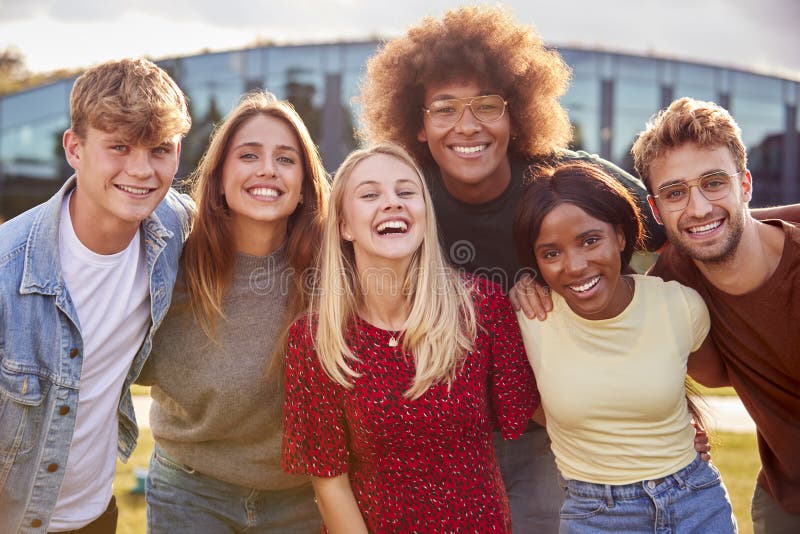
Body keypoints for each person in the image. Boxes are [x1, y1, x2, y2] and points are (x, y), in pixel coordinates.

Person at [357, 5, 666, 530]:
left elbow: (677, 231)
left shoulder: (565, 179)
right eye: (444, 108)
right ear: (418, 123)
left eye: (486, 104)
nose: (467, 125)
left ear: (517, 112)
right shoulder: (406, 196)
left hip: (548, 431)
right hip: (446, 437)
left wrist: (572, 287)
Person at [281, 143, 538, 533]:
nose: (392, 203)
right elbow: (329, 479)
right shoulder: (316, 339)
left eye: (406, 192)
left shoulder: (481, 309)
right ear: (344, 226)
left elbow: (541, 414)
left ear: (424, 213)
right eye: (370, 195)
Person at [0, 58, 192, 533]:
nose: (141, 170)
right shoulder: (7, 273)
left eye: (159, 150)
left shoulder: (174, 227)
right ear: (75, 148)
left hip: (95, 517)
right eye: (119, 147)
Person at [136, 91, 328, 533]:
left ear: (303, 187)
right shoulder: (172, 261)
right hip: (189, 492)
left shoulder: (331, 273)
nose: (267, 169)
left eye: (285, 159)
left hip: (298, 499)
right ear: (220, 177)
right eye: (248, 155)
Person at [513, 161, 737, 533]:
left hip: (695, 502)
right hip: (595, 514)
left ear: (619, 237)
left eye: (590, 240)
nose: (576, 265)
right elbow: (525, 402)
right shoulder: (529, 319)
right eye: (551, 253)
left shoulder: (679, 305)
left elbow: (711, 377)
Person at [631, 97, 800, 533]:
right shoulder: (673, 280)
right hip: (786, 500)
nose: (699, 208)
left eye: (713, 182)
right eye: (675, 193)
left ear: (745, 185)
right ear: (656, 210)